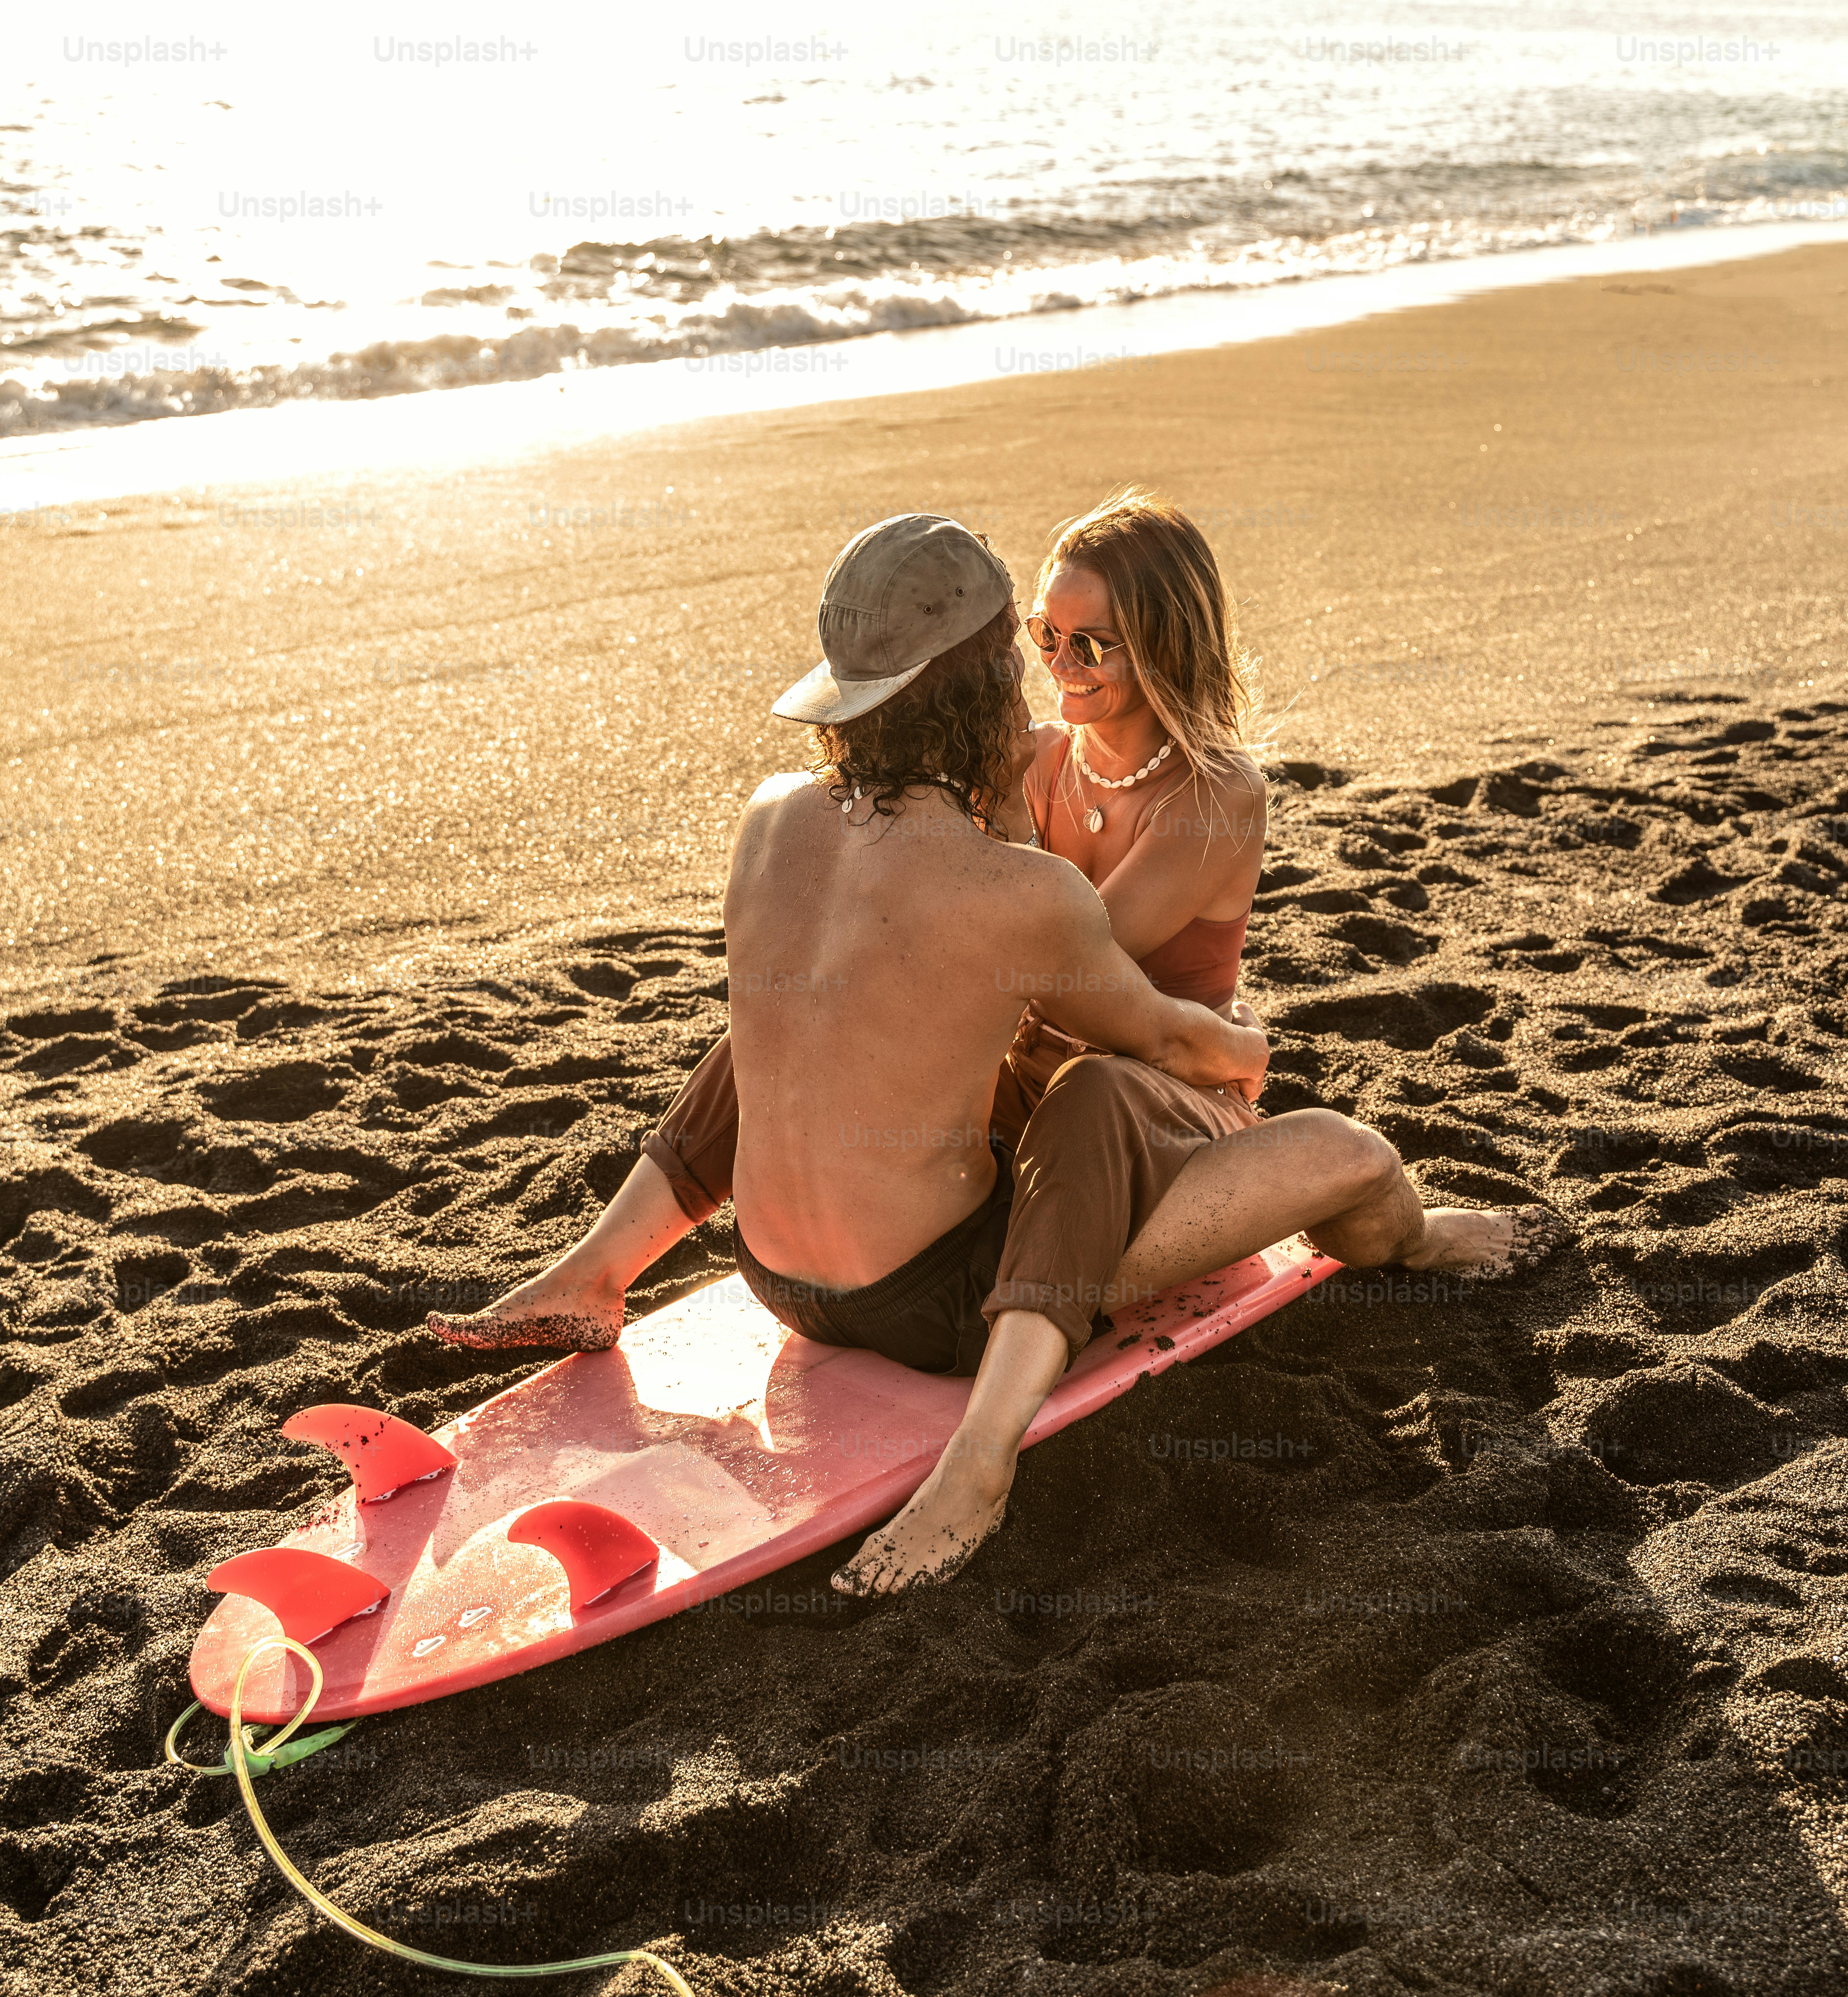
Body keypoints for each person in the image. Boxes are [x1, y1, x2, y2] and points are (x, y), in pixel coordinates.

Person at [427, 513, 1564, 1596]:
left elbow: (960, 947)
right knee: (1322, 1148)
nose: (1054, 667)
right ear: (987, 677)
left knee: (807, 1013)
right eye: (1037, 643)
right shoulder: (1025, 851)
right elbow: (1140, 1025)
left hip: (779, 1279)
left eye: (1088, 644)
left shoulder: (774, 813)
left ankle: (601, 1269)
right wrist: (1235, 1044)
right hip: (964, 1288)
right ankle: (983, 1456)